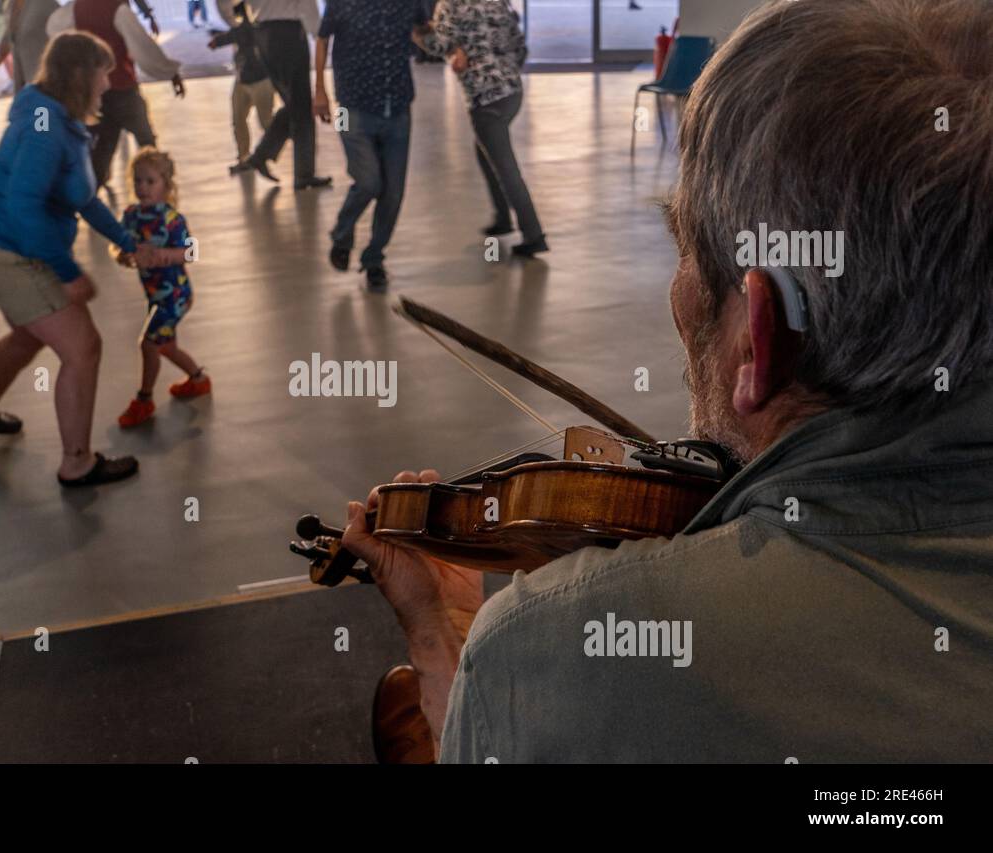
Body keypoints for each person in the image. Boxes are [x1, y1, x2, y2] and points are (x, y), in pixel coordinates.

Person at [346, 0, 993, 762]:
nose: (678, 292)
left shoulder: (564, 648)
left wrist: (461, 655)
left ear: (760, 340)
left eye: (683, 249)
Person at [0, 32, 154, 487]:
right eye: (104, 71)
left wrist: (126, 241)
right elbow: (24, 206)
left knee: (26, 339)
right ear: (81, 74)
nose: (110, 81)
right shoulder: (45, 125)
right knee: (83, 348)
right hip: (9, 255)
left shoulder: (60, 120)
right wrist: (68, 274)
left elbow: (82, 198)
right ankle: (78, 462)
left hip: (2, 251)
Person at [414, 0, 547, 258]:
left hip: (485, 98)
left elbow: (439, 45)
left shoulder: (450, 5)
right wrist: (503, 70)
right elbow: (519, 46)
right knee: (483, 150)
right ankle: (502, 217)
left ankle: (534, 234)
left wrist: (419, 33)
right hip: (512, 92)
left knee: (507, 169)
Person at [314, 0, 428, 293]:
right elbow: (322, 38)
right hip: (351, 109)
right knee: (368, 182)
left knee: (393, 193)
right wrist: (320, 91)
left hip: (399, 106)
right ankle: (342, 235)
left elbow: (420, 30)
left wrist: (450, 44)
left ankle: (374, 258)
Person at [114, 148, 210, 428]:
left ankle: (144, 399)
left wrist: (165, 256)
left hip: (175, 295)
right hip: (154, 295)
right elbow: (122, 247)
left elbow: (190, 252)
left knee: (148, 344)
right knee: (166, 345)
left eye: (150, 181)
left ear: (166, 185)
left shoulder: (172, 219)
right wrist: (126, 256)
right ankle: (198, 379)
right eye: (138, 181)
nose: (142, 187)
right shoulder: (131, 215)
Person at [46, 0, 186, 190]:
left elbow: (52, 27)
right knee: (147, 144)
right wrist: (170, 72)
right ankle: (160, 196)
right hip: (124, 91)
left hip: (96, 96)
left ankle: (87, 200)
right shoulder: (117, 9)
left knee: (101, 152)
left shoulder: (76, 8)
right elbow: (142, 46)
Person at [219, 0, 331, 190]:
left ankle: (263, 157)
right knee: (301, 108)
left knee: (294, 105)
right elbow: (307, 7)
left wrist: (233, 20)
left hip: (262, 35)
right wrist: (318, 32)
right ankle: (300, 173)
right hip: (289, 35)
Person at [207, 1, 274, 164]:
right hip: (243, 78)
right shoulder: (238, 15)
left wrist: (219, 40)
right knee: (238, 119)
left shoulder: (253, 15)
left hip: (260, 78)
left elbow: (243, 32)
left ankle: (264, 156)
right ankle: (244, 156)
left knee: (267, 123)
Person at [0, 0, 58, 93]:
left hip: (45, 84)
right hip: (24, 86)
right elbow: (8, 40)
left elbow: (64, 36)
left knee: (41, 107)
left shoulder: (45, 3)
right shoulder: (11, 5)